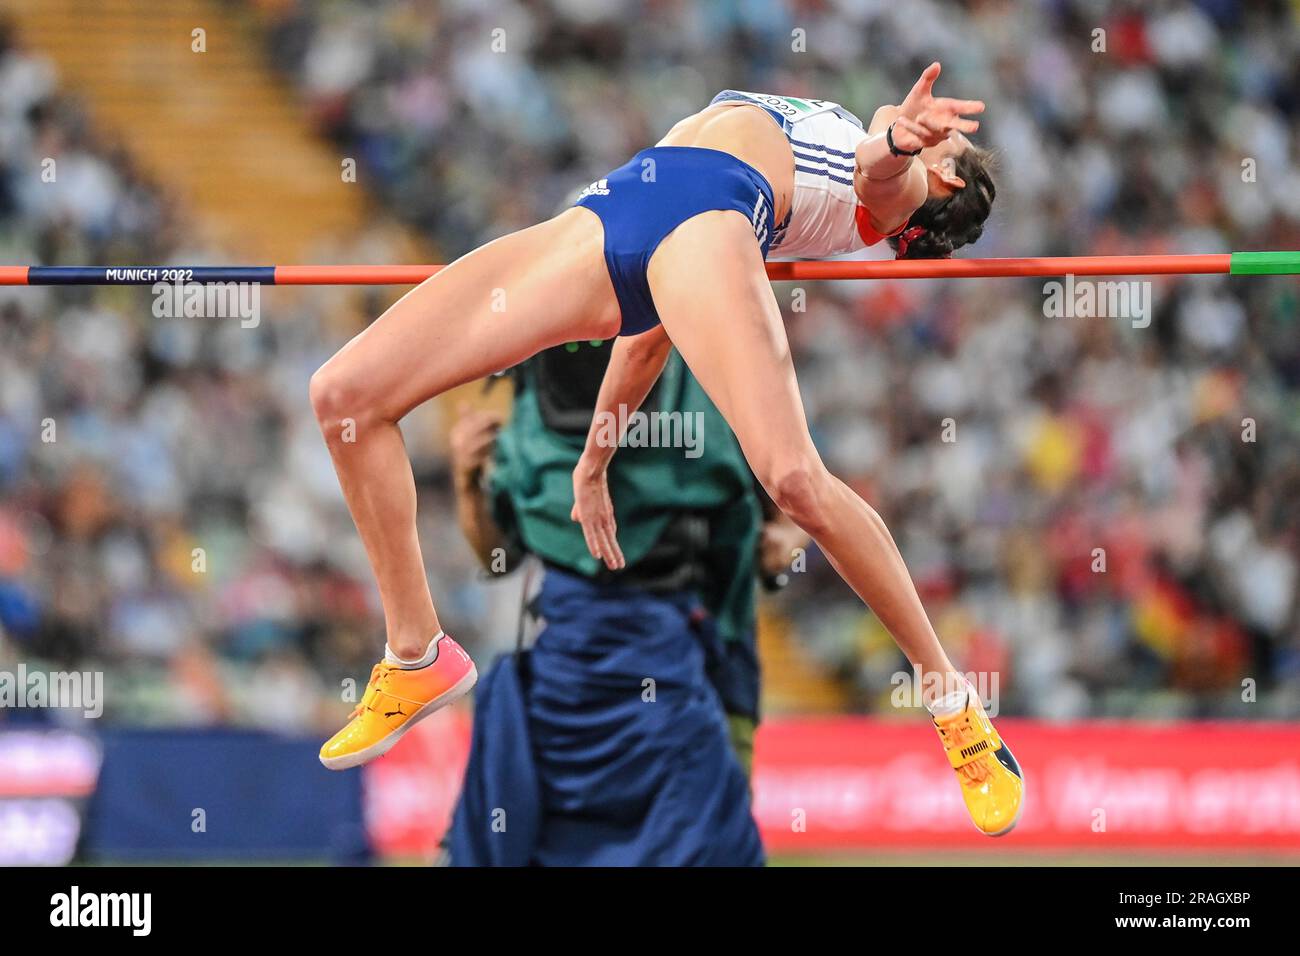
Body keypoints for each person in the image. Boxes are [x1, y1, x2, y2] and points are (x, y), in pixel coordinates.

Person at [311, 62, 1023, 835]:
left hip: (701, 211)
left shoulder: (896, 188)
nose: (926, 127)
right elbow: (648, 332)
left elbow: (877, 172)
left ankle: (950, 698)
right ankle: (416, 653)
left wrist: (897, 143)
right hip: (616, 217)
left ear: (945, 174)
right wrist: (595, 457)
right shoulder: (851, 135)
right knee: (346, 396)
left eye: (943, 139)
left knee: (793, 480)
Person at [441, 339, 806, 865]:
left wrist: (786, 542)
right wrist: (466, 484)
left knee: (706, 844)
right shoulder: (539, 379)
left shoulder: (718, 360)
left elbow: (798, 503)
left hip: (708, 662)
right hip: (568, 676)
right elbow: (501, 556)